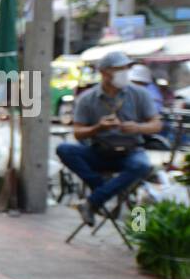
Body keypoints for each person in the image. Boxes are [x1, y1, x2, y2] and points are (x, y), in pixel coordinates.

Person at [57, 51, 160, 226]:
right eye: (119, 69)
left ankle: (94, 201)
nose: (125, 73)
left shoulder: (140, 94)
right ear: (104, 72)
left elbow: (156, 124)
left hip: (130, 152)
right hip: (100, 152)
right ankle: (103, 189)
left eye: (126, 68)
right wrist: (98, 127)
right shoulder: (86, 99)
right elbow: (78, 132)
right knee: (64, 149)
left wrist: (138, 127)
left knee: (142, 166)